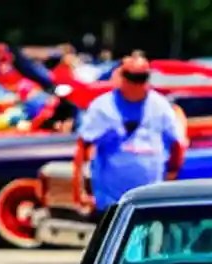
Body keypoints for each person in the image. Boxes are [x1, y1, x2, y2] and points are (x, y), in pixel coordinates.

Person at [72, 55, 186, 220]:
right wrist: (79, 189)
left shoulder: (160, 106)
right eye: (132, 77)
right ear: (121, 77)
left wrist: (172, 174)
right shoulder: (103, 107)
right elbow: (83, 146)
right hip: (111, 201)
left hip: (149, 198)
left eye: (142, 77)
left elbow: (177, 143)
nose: (137, 83)